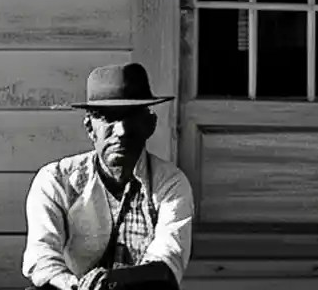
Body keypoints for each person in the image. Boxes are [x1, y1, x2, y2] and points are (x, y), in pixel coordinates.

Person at [22, 62, 193, 290]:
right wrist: (75, 286)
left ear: (149, 125)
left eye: (131, 117)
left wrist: (114, 280)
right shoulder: (57, 181)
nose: (121, 131)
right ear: (90, 128)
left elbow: (168, 262)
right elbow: (42, 258)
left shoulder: (169, 184)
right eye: (109, 118)